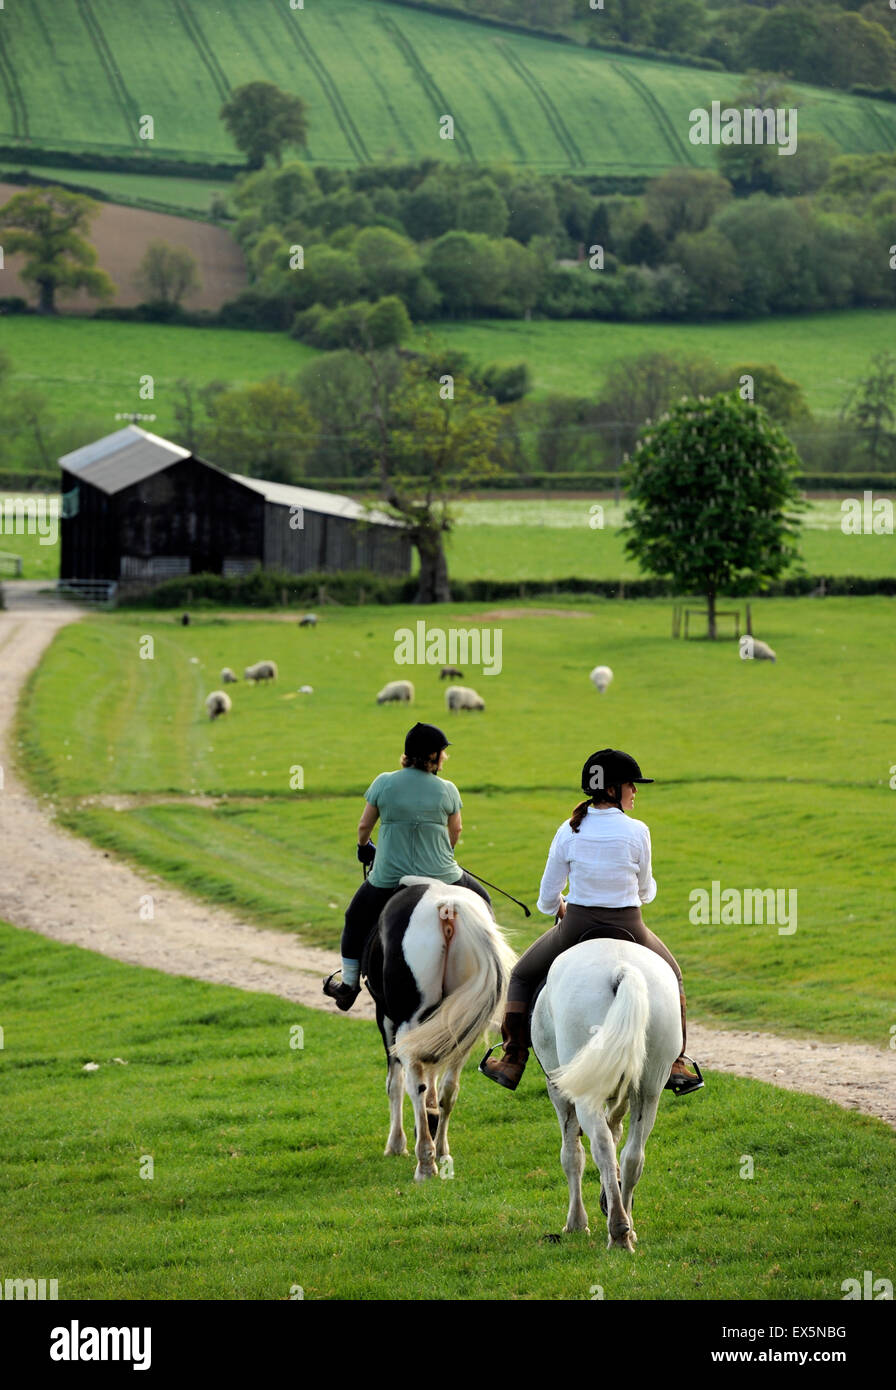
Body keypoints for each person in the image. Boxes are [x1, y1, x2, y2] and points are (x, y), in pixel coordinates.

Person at [479, 748, 703, 1096]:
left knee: (522, 975)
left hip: (576, 925)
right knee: (673, 975)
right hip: (631, 927)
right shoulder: (638, 831)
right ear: (613, 789)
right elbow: (646, 892)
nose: (636, 791)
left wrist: (559, 906)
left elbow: (546, 898)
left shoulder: (568, 831)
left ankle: (513, 1058)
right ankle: (676, 1062)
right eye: (631, 785)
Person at [323, 721, 492, 1010]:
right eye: (443, 753)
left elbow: (364, 825)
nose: (446, 758)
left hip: (389, 876)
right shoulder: (448, 789)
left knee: (354, 917)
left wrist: (364, 848)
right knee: (484, 903)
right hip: (443, 874)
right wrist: (443, 854)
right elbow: (457, 831)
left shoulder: (384, 782)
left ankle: (349, 985)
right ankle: (492, 975)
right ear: (434, 757)